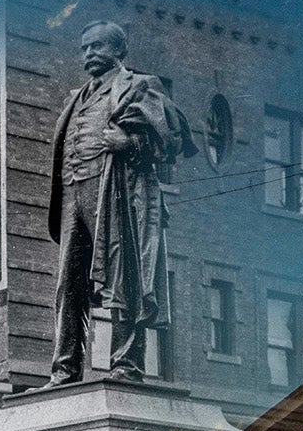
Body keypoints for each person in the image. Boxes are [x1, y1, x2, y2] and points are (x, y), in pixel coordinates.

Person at [45, 20, 193, 386]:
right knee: (68, 281)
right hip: (73, 193)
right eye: (85, 48)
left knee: (124, 275)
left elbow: (171, 141)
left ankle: (126, 364)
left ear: (119, 51)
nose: (89, 54)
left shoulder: (140, 86)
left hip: (116, 192)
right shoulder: (77, 97)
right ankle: (64, 369)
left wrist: (131, 145)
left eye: (97, 46)